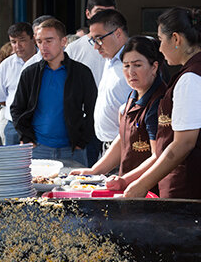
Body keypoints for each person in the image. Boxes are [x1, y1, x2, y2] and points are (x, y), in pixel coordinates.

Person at [108, 8, 201, 199]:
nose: (161, 49)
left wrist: (140, 185)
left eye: (161, 40)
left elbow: (183, 144)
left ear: (176, 39)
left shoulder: (192, 79)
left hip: (187, 186)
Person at [72, 35, 168, 179]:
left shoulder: (159, 103)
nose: (130, 72)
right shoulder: (133, 96)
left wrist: (125, 181)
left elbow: (157, 156)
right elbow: (122, 140)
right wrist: (94, 171)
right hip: (128, 186)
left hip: (148, 190)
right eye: (126, 65)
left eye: (138, 65)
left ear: (154, 67)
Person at [11, 18, 97, 164]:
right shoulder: (30, 73)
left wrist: (82, 141)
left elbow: (93, 109)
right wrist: (27, 137)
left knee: (75, 187)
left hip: (72, 150)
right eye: (39, 41)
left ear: (63, 42)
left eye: (49, 41)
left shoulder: (81, 73)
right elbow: (17, 108)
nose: (43, 47)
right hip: (38, 149)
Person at [87, 9, 133, 159]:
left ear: (118, 33)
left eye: (99, 39)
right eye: (93, 40)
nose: (96, 46)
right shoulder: (109, 61)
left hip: (125, 147)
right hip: (106, 147)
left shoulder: (134, 62)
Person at [0, 22, 37, 146]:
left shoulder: (45, 62)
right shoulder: (5, 66)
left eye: (22, 40)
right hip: (13, 126)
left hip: (39, 125)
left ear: (33, 39)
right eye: (13, 42)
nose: (18, 46)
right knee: (12, 164)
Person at [64, 0, 116, 87]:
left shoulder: (125, 47)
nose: (104, 17)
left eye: (109, 12)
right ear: (88, 14)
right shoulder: (73, 49)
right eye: (99, 12)